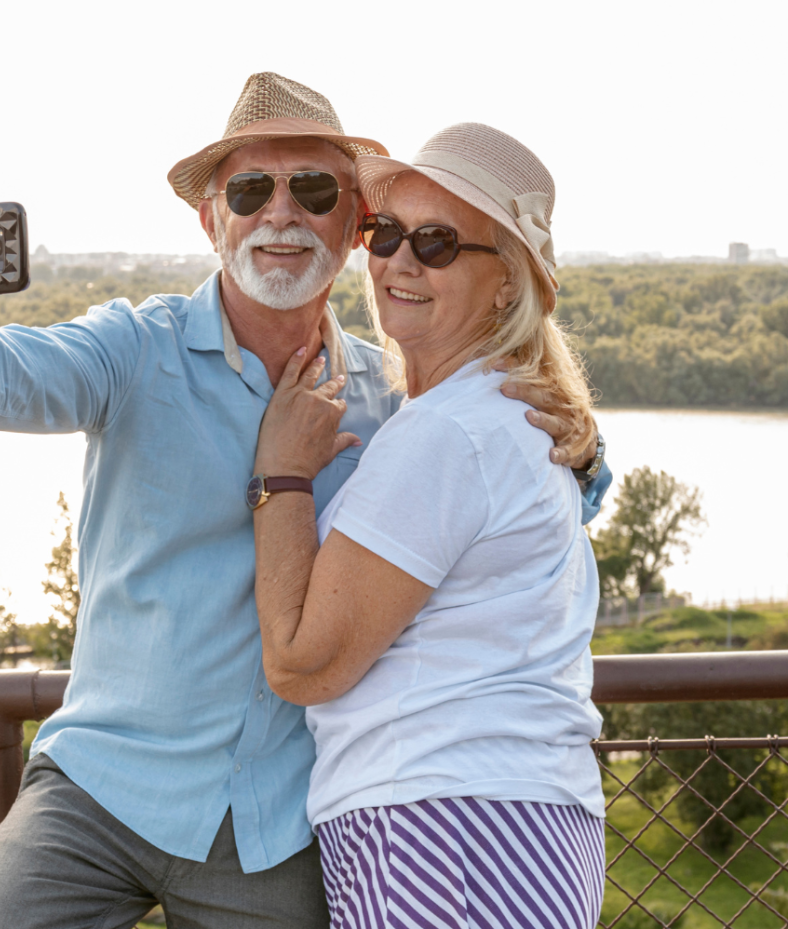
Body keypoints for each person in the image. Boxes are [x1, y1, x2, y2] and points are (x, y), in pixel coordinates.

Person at [0, 75, 609, 929]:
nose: (280, 214)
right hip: (104, 787)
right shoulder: (134, 350)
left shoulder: (393, 397)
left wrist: (585, 447)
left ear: (352, 226)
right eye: (249, 190)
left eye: (314, 190)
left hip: (276, 819)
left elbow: (511, 488)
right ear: (211, 221)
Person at [250, 122, 606, 929]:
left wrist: (283, 476)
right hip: (509, 826)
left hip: (441, 826)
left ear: (507, 283)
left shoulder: (449, 432)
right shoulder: (503, 414)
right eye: (385, 233)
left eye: (438, 243)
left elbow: (304, 663)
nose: (399, 262)